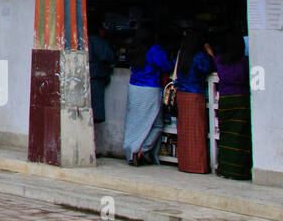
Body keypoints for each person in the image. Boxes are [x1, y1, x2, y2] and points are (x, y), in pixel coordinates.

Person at [207, 32, 252, 180]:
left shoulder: (220, 60)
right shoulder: (245, 62)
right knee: (240, 136)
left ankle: (225, 169)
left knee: (226, 135)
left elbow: (213, 56)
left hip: (225, 100)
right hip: (241, 99)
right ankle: (238, 171)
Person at [123, 26, 170, 166]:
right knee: (157, 125)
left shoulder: (133, 48)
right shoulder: (155, 49)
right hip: (150, 88)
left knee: (134, 122)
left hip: (134, 88)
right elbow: (166, 66)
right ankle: (141, 150)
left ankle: (132, 150)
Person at [173, 30, 215, 174]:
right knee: (197, 132)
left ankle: (185, 164)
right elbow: (209, 67)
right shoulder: (199, 56)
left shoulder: (182, 55)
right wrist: (209, 52)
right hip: (194, 95)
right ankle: (197, 165)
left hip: (182, 95)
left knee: (185, 132)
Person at [88, 20, 115, 124]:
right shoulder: (100, 42)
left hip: (85, 77)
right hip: (96, 77)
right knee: (95, 113)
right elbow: (111, 58)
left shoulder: (82, 40)